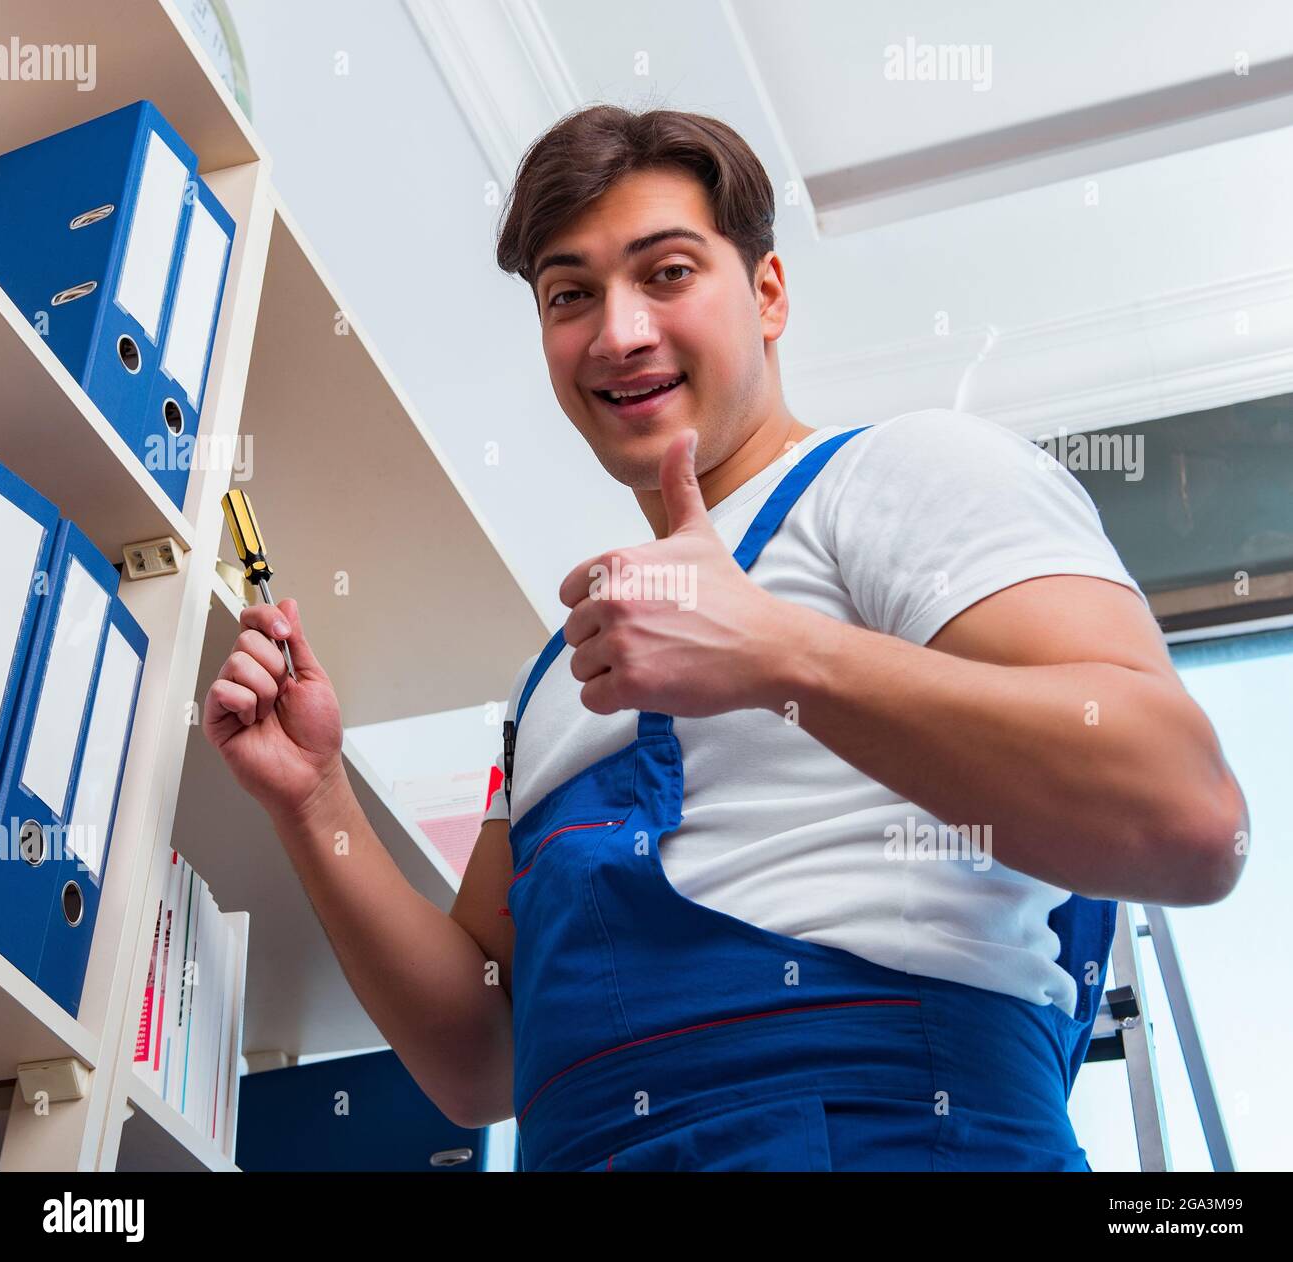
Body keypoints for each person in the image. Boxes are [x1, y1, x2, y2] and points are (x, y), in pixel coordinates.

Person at [204, 104, 1249, 1172]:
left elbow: (1187, 814)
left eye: (666, 273)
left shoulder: (902, 474)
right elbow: (481, 1061)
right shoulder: (556, 677)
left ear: (768, 293)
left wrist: (774, 654)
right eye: (570, 295)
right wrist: (315, 799)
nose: (616, 333)